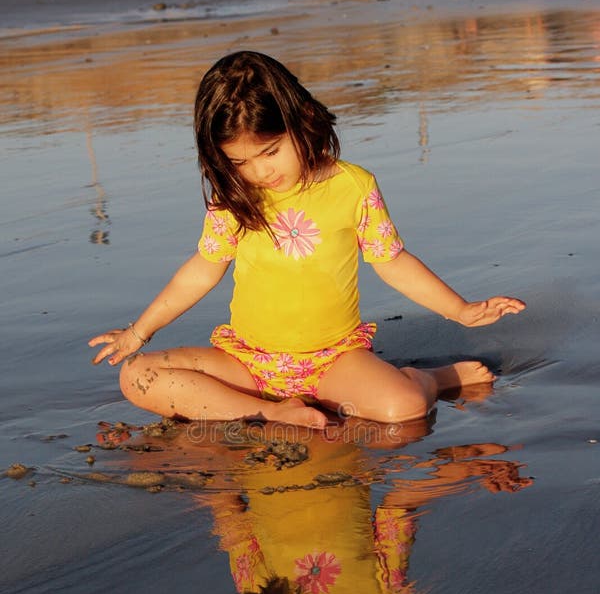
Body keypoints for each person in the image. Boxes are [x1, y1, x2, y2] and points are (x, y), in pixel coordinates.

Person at [89, 51, 525, 430]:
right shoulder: (234, 197)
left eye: (271, 151)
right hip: (248, 362)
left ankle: (432, 377)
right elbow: (202, 270)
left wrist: (461, 311)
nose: (260, 172)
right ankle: (271, 413)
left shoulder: (352, 186)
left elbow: (391, 261)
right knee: (137, 376)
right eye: (239, 161)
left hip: (332, 361)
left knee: (404, 408)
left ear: (302, 122)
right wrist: (138, 332)